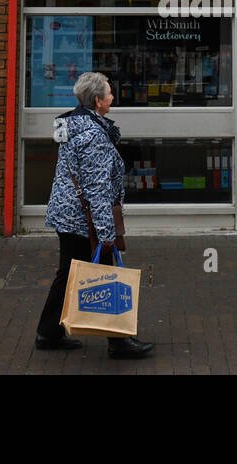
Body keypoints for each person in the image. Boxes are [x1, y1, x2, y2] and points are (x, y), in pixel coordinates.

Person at [35, 71, 155, 359]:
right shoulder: (92, 136)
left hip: (68, 214)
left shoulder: (76, 124)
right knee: (107, 273)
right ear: (98, 100)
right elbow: (97, 187)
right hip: (82, 220)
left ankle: (48, 332)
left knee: (68, 273)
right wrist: (107, 233)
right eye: (109, 93)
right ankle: (118, 341)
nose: (113, 97)